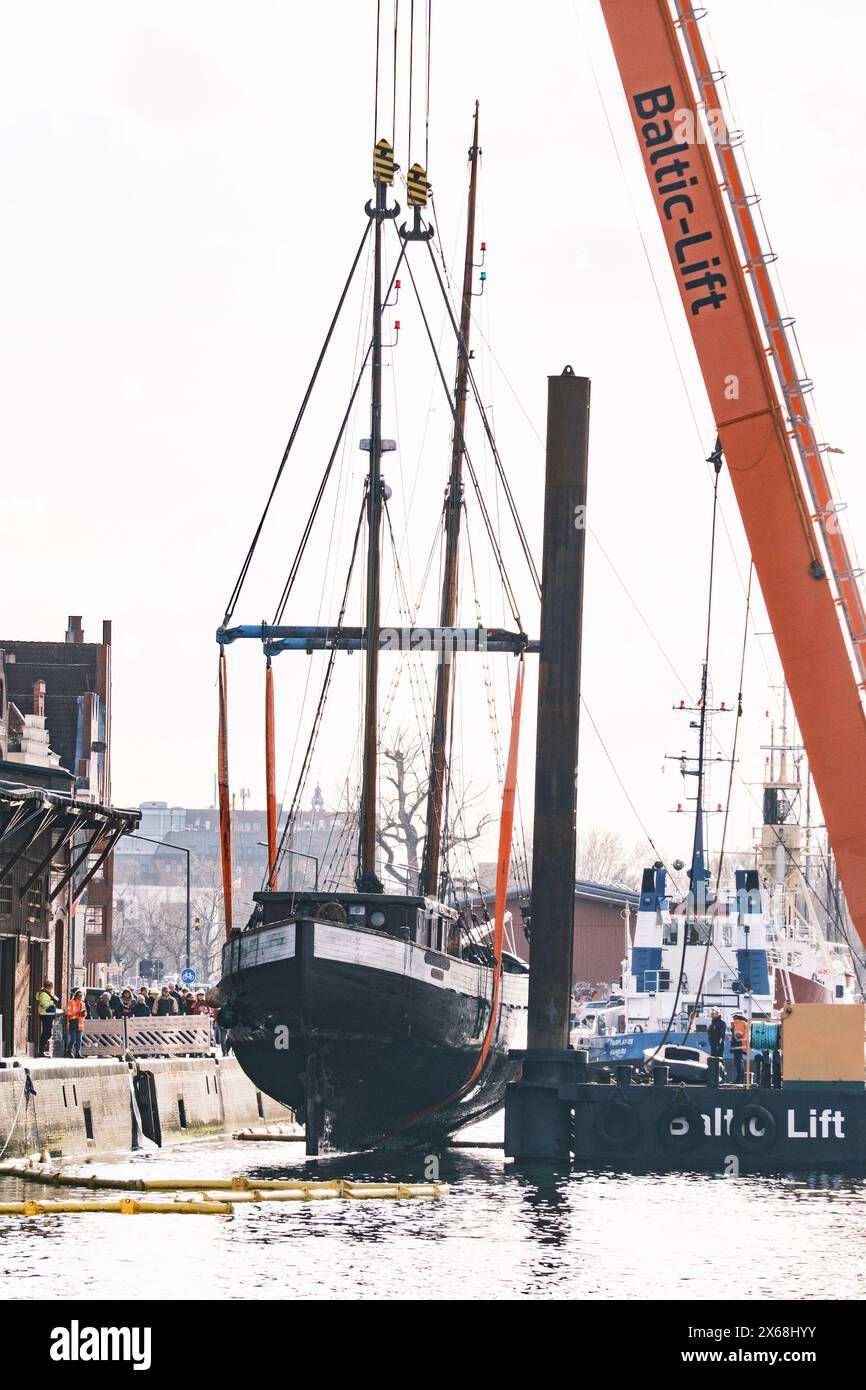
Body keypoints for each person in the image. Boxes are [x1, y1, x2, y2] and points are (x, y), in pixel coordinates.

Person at [35, 978, 59, 1057]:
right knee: (47, 1033)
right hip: (46, 1015)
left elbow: (56, 999)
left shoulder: (48, 993)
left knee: (47, 1033)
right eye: (50, 986)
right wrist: (52, 1002)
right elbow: (44, 1004)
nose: (51, 988)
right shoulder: (43, 994)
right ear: (47, 986)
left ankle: (41, 1051)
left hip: (49, 1015)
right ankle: (41, 1051)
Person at [64, 989, 87, 1058]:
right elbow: (67, 1012)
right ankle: (69, 1050)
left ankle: (77, 1053)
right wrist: (77, 1013)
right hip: (72, 1023)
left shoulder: (83, 1004)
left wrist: (84, 1014)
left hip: (80, 1024)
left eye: (81, 995)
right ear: (76, 995)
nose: (80, 997)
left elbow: (85, 1013)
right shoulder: (71, 1002)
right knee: (73, 1039)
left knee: (79, 1040)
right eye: (79, 995)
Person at [730, 1011, 750, 1084]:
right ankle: (741, 1079)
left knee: (738, 1062)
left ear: (736, 1016)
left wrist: (733, 1030)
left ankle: (739, 1079)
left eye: (733, 1017)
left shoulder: (739, 1022)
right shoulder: (744, 1022)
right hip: (741, 1045)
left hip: (738, 1046)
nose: (732, 1018)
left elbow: (738, 1035)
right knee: (739, 1062)